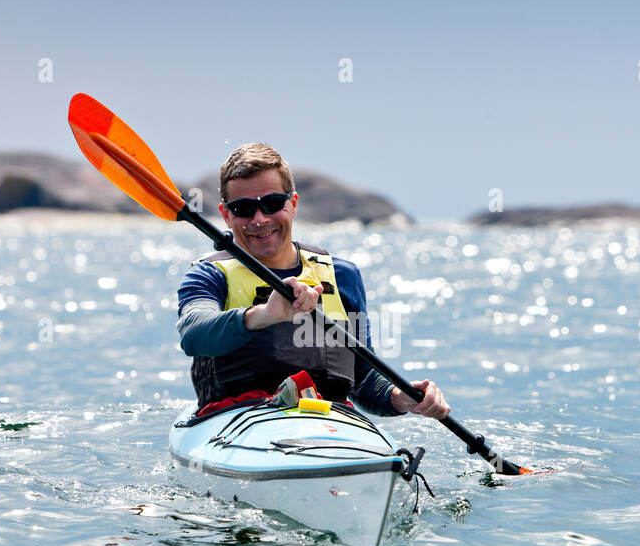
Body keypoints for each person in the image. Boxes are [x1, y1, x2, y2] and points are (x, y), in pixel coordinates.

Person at [176, 142, 450, 420]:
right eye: (243, 208)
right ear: (226, 215)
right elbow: (193, 333)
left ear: (292, 204)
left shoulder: (341, 275)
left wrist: (400, 398)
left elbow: (363, 378)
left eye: (272, 204)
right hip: (236, 421)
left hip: (329, 425)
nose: (259, 219)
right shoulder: (209, 275)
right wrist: (264, 315)